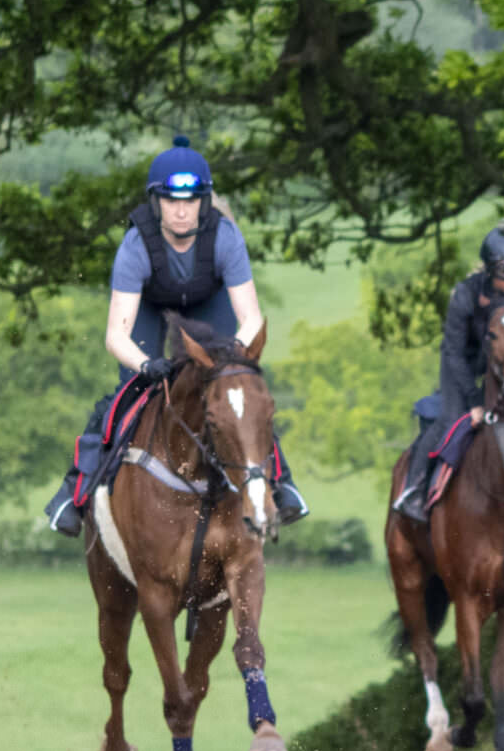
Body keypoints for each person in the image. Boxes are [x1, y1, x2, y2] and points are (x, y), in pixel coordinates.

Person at [45, 138, 308, 536]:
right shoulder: (135, 246)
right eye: (171, 201)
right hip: (151, 312)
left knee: (240, 394)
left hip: (209, 306)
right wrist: (147, 365)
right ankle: (75, 492)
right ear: (157, 204)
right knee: (127, 392)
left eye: (191, 201)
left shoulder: (226, 237)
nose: (182, 211)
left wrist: (232, 360)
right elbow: (116, 335)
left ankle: (283, 484)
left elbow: (252, 318)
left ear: (204, 202)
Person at [391, 221, 504, 523]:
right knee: (448, 421)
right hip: (463, 367)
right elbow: (454, 352)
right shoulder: (466, 294)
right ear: (490, 270)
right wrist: (474, 401)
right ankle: (415, 490)